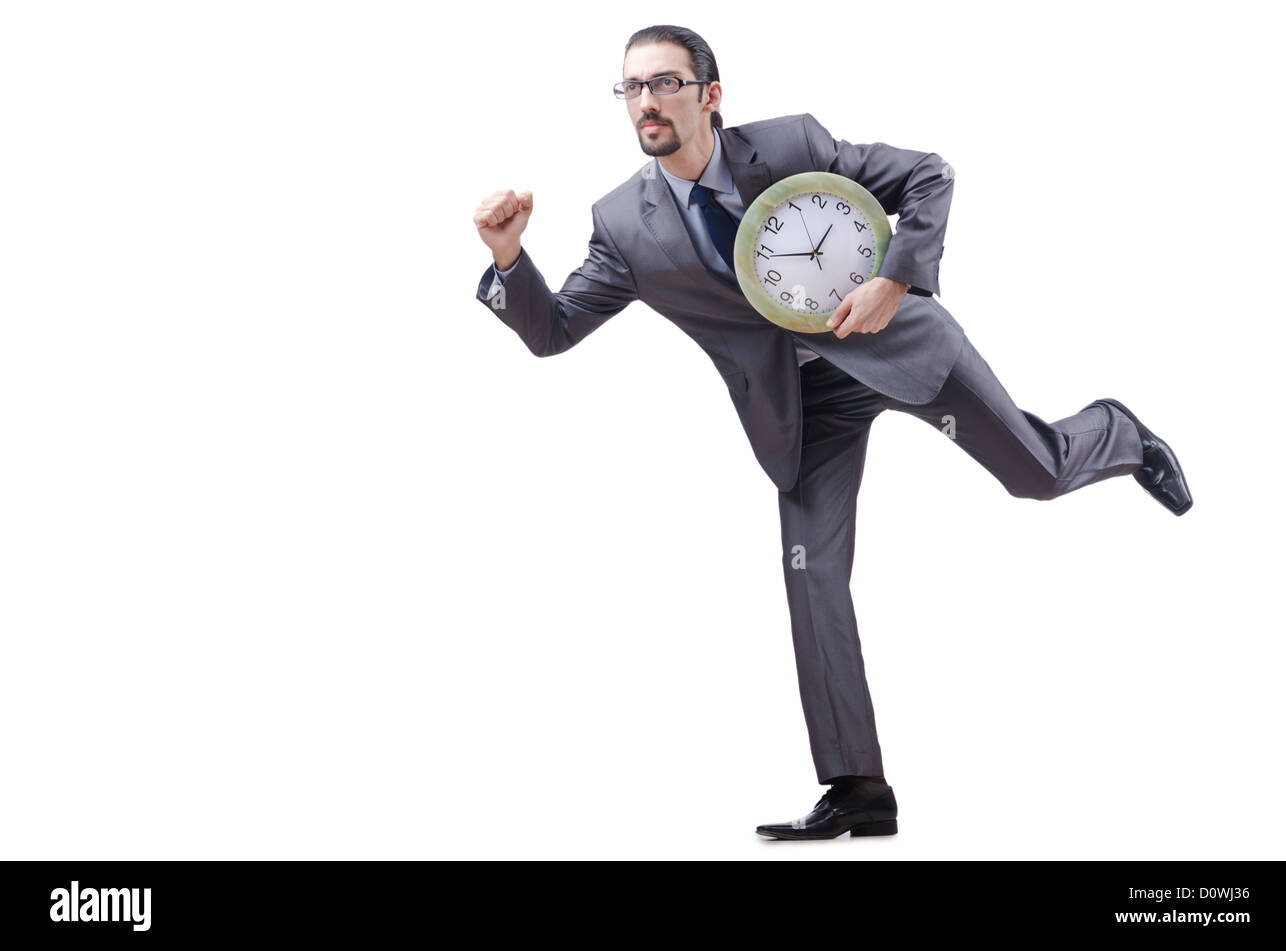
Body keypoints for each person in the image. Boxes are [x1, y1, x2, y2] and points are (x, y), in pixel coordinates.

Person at [470, 24, 1192, 840]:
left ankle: (1118, 433)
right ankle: (858, 785)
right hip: (802, 410)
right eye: (631, 87)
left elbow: (927, 174)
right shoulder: (624, 226)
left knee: (1038, 474)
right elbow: (555, 329)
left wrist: (893, 279)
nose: (646, 101)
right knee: (811, 575)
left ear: (710, 94)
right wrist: (507, 259)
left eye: (665, 82)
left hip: (900, 351)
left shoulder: (791, 146)